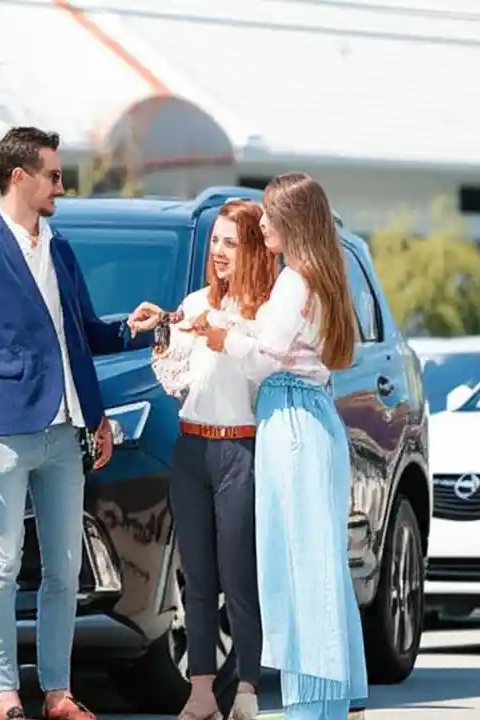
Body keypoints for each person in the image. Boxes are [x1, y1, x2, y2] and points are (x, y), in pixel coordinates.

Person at [0, 126, 151, 720]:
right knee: (0, 566)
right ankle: (5, 695)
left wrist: (131, 329)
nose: (62, 185)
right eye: (53, 174)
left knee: (64, 569)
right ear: (18, 176)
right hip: (2, 430)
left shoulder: (61, 247)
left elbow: (84, 335)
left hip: (65, 433)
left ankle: (57, 693)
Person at [199, 172, 369, 719]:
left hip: (291, 422)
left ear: (291, 222)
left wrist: (224, 337)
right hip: (313, 416)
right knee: (322, 564)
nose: (263, 222)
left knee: (297, 567)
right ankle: (338, 698)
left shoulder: (295, 280)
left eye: (270, 214)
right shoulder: (323, 275)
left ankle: (311, 705)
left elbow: (267, 353)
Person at [127, 199, 277, 720]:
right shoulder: (194, 303)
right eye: (215, 240)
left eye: (230, 242)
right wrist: (165, 330)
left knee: (239, 576)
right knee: (196, 578)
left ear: (254, 248)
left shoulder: (268, 313)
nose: (218, 251)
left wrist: (228, 334)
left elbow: (266, 376)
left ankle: (247, 690)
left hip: (241, 448)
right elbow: (177, 381)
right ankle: (200, 692)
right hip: (192, 449)